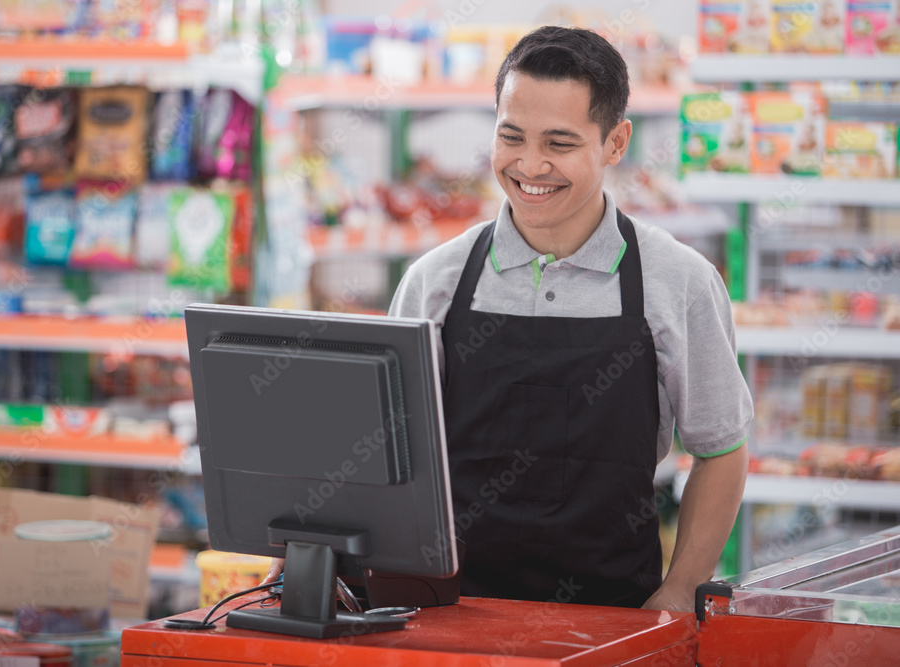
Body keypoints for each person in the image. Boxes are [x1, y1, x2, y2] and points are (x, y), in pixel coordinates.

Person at [266, 25, 752, 612]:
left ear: (616, 142)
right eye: (511, 137)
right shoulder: (435, 281)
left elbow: (721, 448)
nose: (530, 165)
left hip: (612, 617)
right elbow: (382, 452)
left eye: (560, 143)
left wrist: (678, 591)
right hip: (444, 614)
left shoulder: (678, 282)